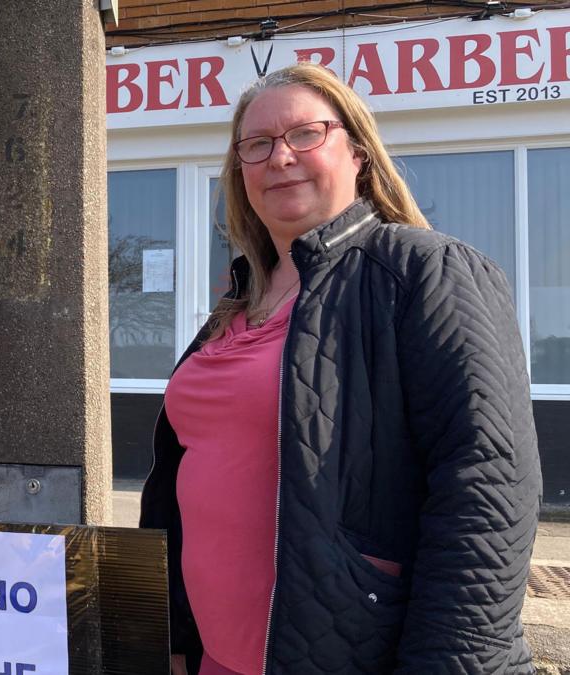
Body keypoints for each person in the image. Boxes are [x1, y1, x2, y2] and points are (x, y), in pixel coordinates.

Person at [140, 62, 541, 675]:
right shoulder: (236, 303)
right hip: (216, 659)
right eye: (257, 144)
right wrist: (169, 633)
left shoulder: (422, 273)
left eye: (306, 134)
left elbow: (487, 489)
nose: (280, 158)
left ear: (357, 152)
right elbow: (178, 482)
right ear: (239, 170)